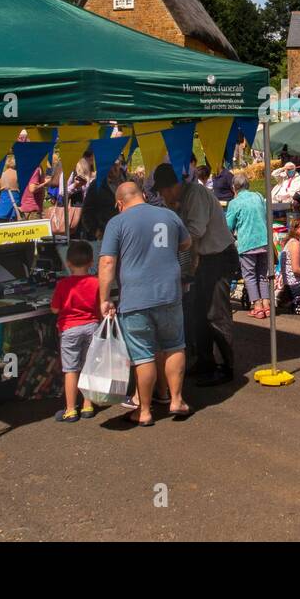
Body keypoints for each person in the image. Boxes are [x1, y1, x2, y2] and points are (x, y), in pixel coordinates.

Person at [98, 181, 193, 426]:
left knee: (143, 355)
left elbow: (107, 262)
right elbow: (186, 243)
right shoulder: (169, 215)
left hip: (135, 297)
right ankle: (176, 399)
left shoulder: (116, 223)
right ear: (142, 195)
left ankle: (145, 411)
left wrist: (104, 298)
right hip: (169, 293)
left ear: (120, 203)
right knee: (174, 345)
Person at [153, 163, 238, 387]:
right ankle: (205, 360)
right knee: (198, 313)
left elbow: (194, 232)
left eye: (162, 192)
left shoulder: (196, 194)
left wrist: (179, 256)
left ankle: (226, 366)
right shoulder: (181, 199)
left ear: (170, 187)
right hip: (203, 259)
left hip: (217, 256)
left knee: (216, 313)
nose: (161, 197)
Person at [50, 239, 102, 423]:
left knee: (71, 369)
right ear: (91, 263)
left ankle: (71, 409)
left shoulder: (63, 285)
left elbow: (55, 309)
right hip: (91, 326)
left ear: (68, 263)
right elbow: (100, 306)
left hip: (70, 328)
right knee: (89, 366)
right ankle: (88, 405)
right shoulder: (96, 282)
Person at [226, 173, 270, 319]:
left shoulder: (235, 202)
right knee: (262, 274)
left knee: (249, 275)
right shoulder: (258, 196)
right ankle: (266, 304)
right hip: (264, 240)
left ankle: (257, 306)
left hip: (248, 243)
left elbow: (228, 226)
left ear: (234, 188)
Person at [279, 215, 300, 312]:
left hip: (289, 285)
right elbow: (296, 269)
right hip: (295, 285)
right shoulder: (294, 243)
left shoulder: (289, 242)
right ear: (295, 229)